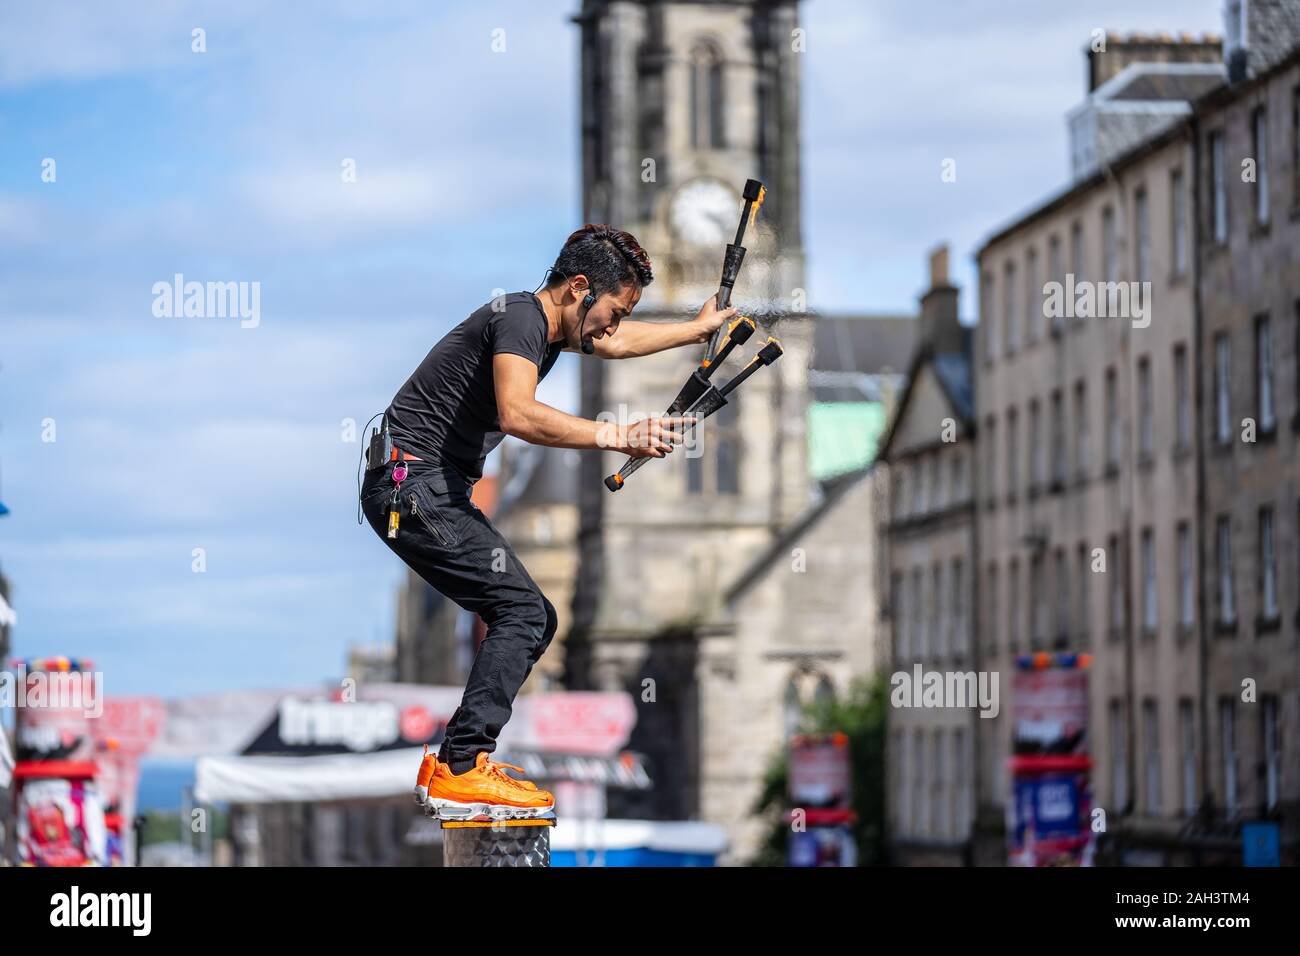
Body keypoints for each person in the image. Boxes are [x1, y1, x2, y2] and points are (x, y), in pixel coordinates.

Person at [360, 224, 736, 821]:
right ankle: (462, 765)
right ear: (579, 288)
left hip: (422, 488)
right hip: (412, 484)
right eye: (612, 311)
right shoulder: (519, 319)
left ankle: (454, 762)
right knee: (523, 611)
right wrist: (618, 434)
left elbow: (617, 344)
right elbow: (517, 412)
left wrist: (694, 329)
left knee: (534, 615)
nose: (611, 327)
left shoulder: (549, 328)